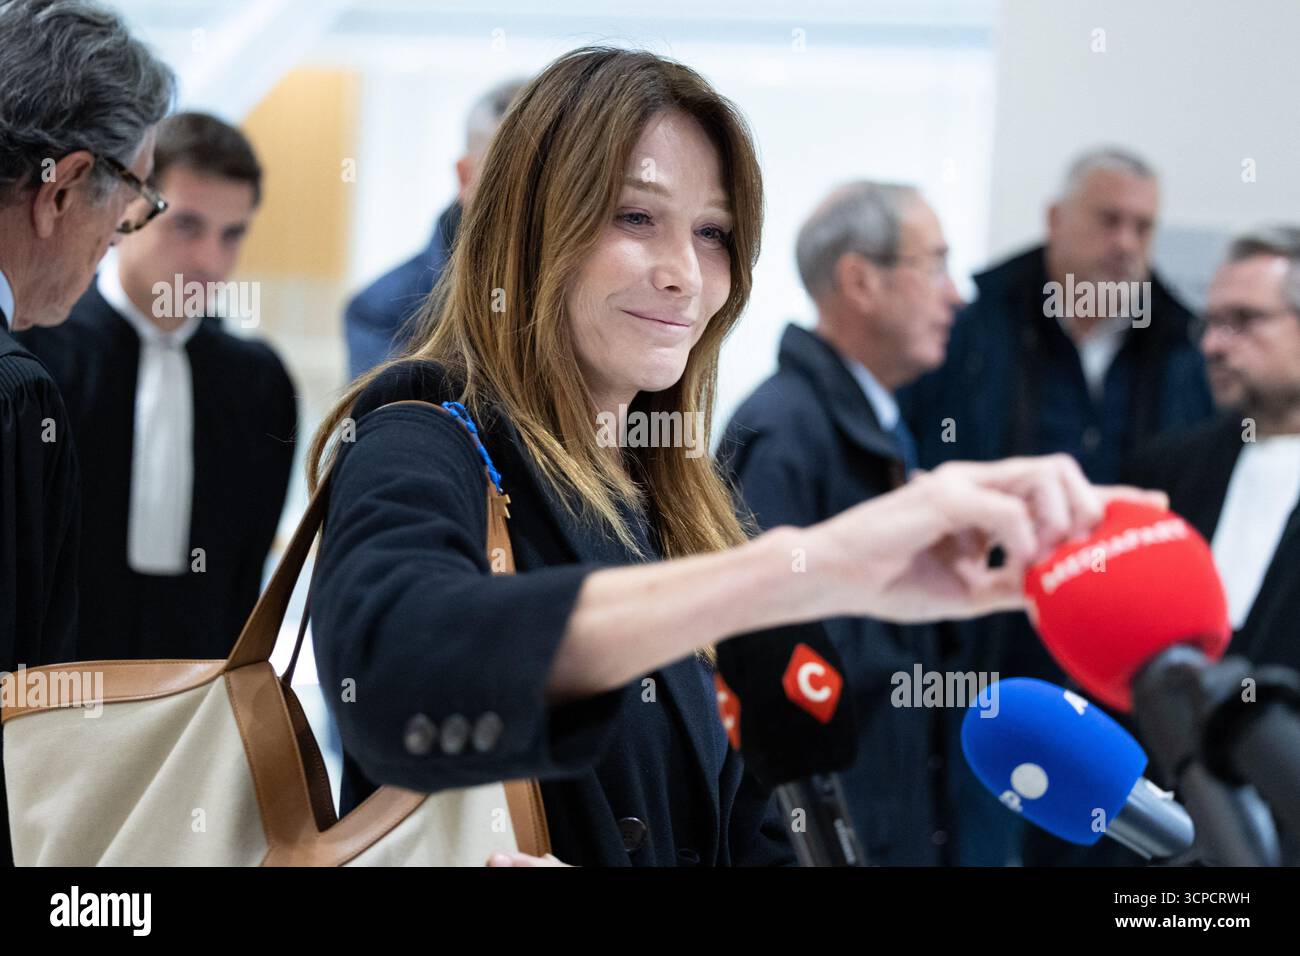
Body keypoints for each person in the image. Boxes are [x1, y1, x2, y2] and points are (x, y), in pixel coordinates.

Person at [307, 46, 1164, 867]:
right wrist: (808, 570)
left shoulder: (682, 504)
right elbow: (391, 680)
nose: (685, 271)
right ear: (532, 230)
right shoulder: (422, 435)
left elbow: (758, 833)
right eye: (635, 217)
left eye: (714, 232)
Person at [899, 147, 1214, 866]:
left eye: (1143, 226)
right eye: (1109, 220)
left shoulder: (1179, 347)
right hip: (989, 658)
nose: (1126, 243)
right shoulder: (972, 331)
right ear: (1053, 220)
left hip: (1126, 665)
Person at [720, 182, 964, 864]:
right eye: (936, 264)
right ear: (861, 280)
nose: (957, 295)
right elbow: (769, 655)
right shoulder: (784, 430)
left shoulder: (873, 423)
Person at [19, 112, 296, 661]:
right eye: (187, 226)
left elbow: (244, 576)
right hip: (47, 706)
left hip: (197, 706)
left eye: (231, 234)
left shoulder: (258, 384)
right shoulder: (36, 362)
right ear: (127, 209)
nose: (210, 260)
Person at [0, 0, 174, 866]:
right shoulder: (15, 399)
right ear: (62, 187)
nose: (119, 238)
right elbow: (18, 725)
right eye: (134, 203)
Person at [343, 78, 528, 379]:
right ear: (466, 177)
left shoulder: (587, 287)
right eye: (508, 175)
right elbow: (394, 416)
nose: (531, 195)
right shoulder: (382, 310)